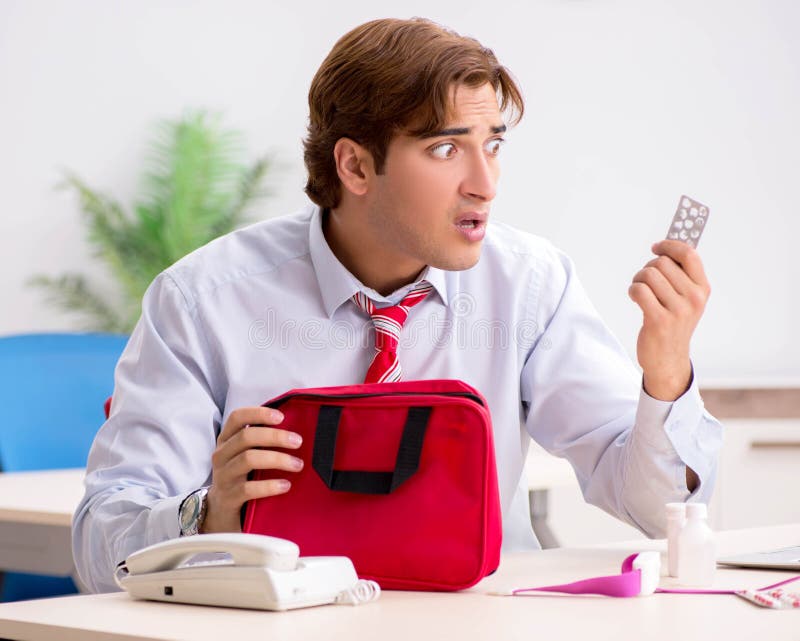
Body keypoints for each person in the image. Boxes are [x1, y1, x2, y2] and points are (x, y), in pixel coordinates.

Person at [73, 17, 722, 593]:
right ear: (355, 167)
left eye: (493, 143)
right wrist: (209, 513)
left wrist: (666, 374)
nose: (486, 183)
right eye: (445, 149)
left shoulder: (530, 283)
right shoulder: (201, 300)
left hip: (481, 619)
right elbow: (99, 548)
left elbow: (656, 507)